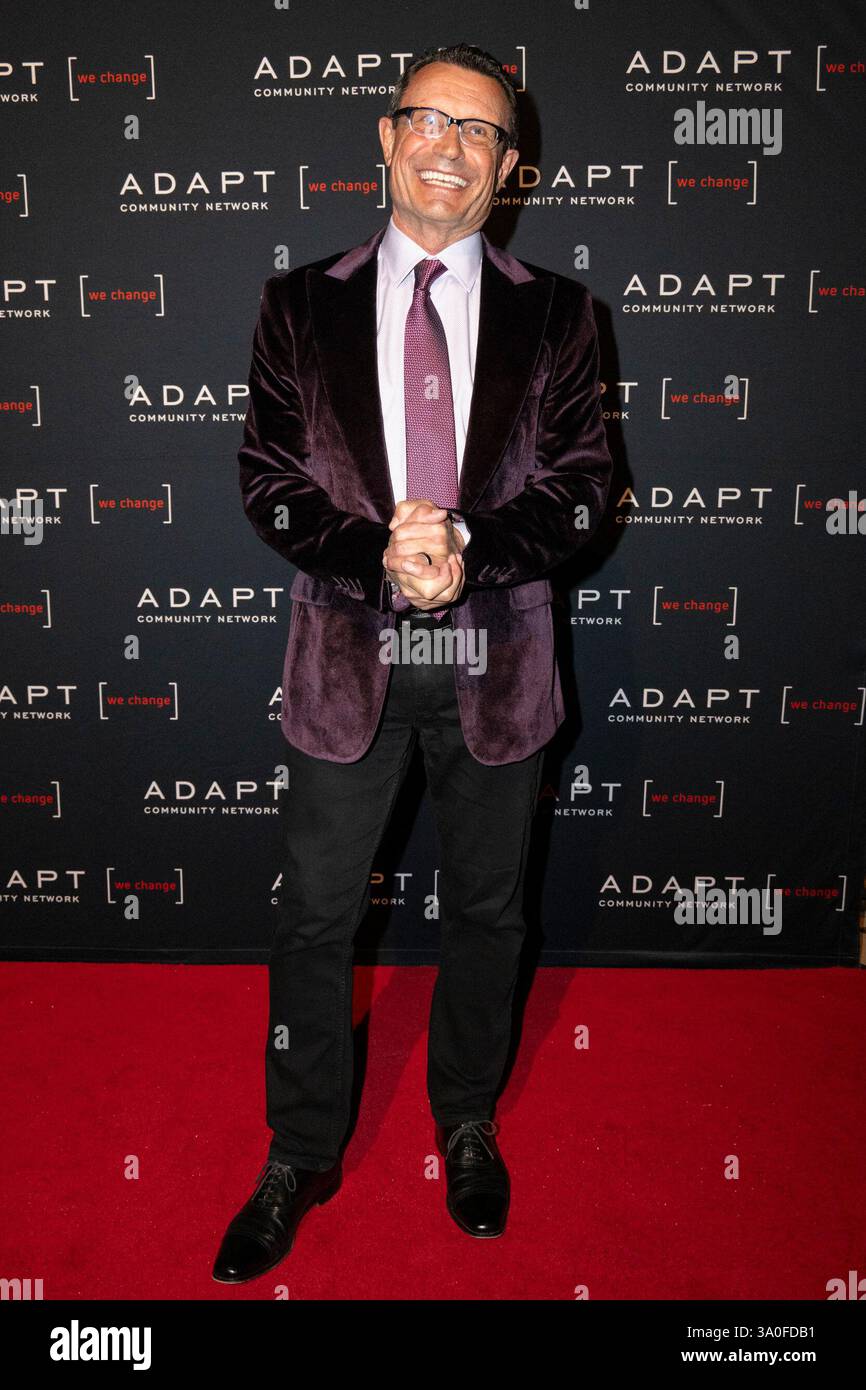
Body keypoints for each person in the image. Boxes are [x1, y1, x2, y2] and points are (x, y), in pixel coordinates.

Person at [213, 41, 612, 1283]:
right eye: (429, 122)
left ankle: (466, 1120)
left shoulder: (560, 314)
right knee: (317, 919)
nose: (450, 146)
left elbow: (583, 492)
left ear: (507, 169)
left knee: (489, 912)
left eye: (479, 132)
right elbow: (269, 484)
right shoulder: (299, 304)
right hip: (346, 662)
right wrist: (382, 554)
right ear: (383, 141)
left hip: (501, 662)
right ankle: (299, 1148)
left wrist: (470, 548)